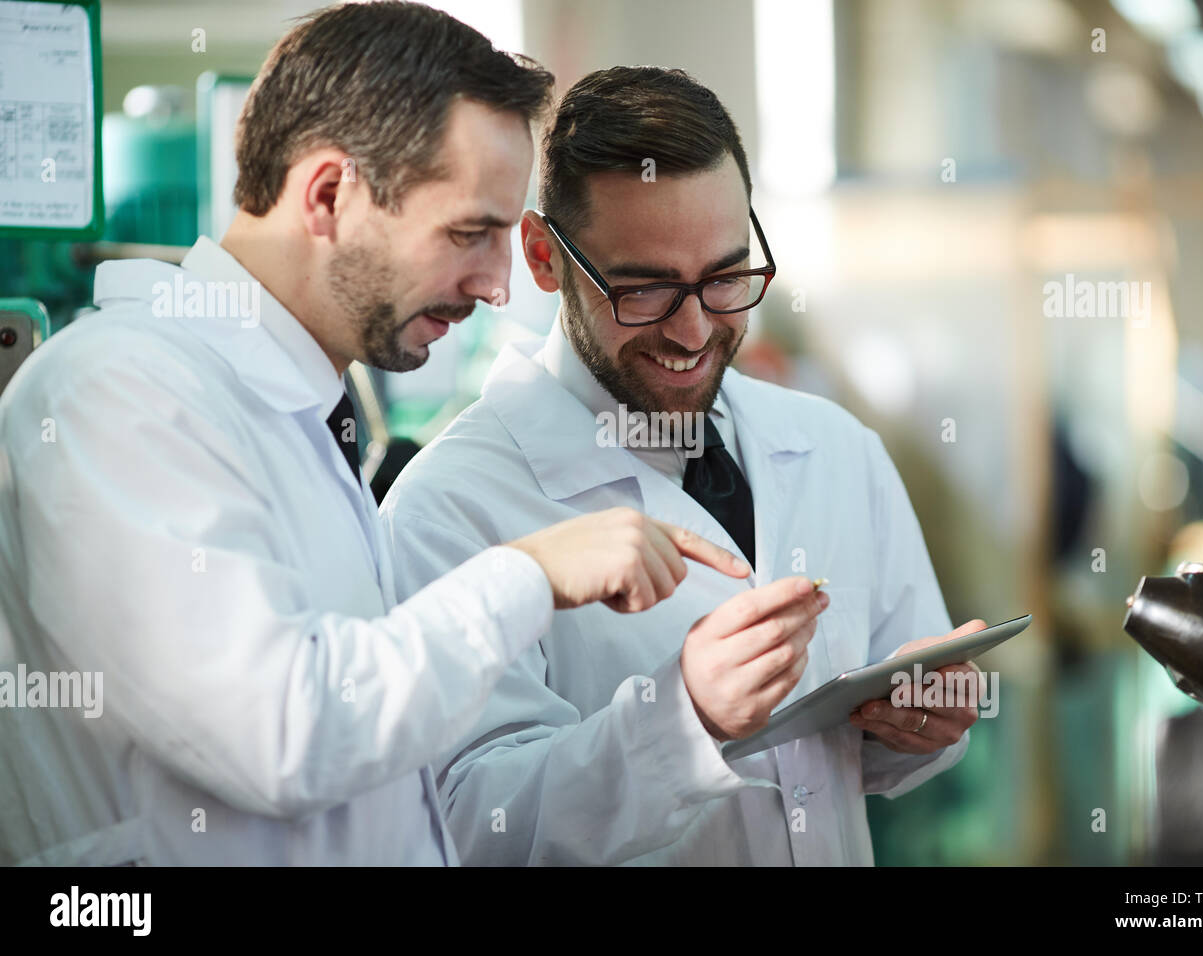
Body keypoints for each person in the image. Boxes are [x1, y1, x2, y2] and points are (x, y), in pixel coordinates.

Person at [0, 5, 746, 867]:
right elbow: (285, 733)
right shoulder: (120, 390)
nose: (499, 286)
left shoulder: (305, 414)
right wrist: (529, 574)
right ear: (326, 195)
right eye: (470, 233)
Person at [379, 66, 985, 866]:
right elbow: (464, 828)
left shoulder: (836, 450)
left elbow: (855, 765)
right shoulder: (448, 509)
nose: (696, 332)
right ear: (543, 256)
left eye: (726, 278)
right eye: (646, 289)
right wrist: (683, 718)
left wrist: (919, 728)